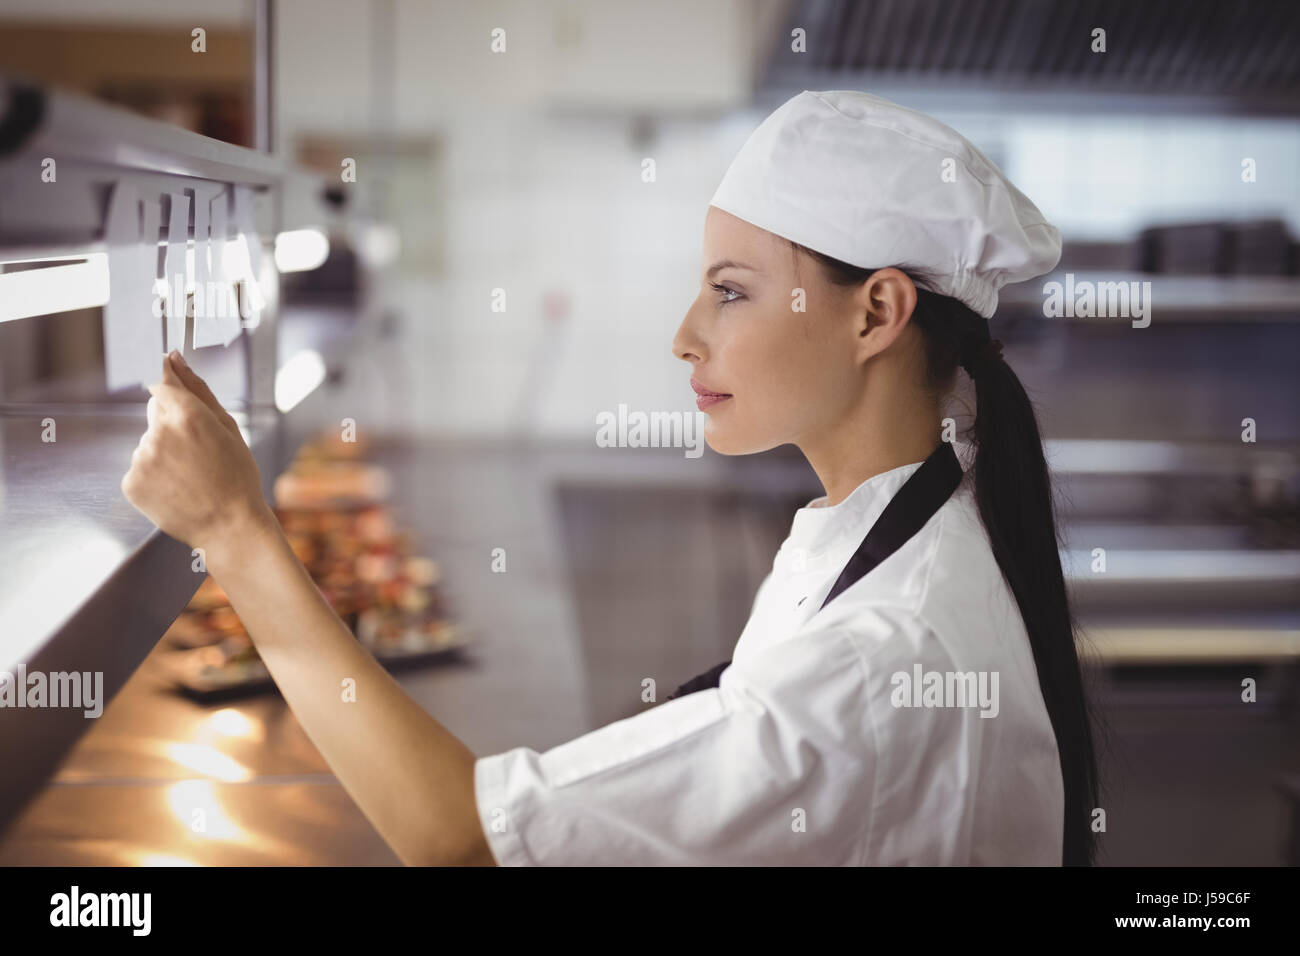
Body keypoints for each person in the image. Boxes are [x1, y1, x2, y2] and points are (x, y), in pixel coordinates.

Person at [122, 90, 1101, 866]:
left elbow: (459, 838)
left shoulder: (884, 663)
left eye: (730, 291)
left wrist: (236, 531)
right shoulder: (912, 507)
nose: (686, 336)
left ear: (875, 312)